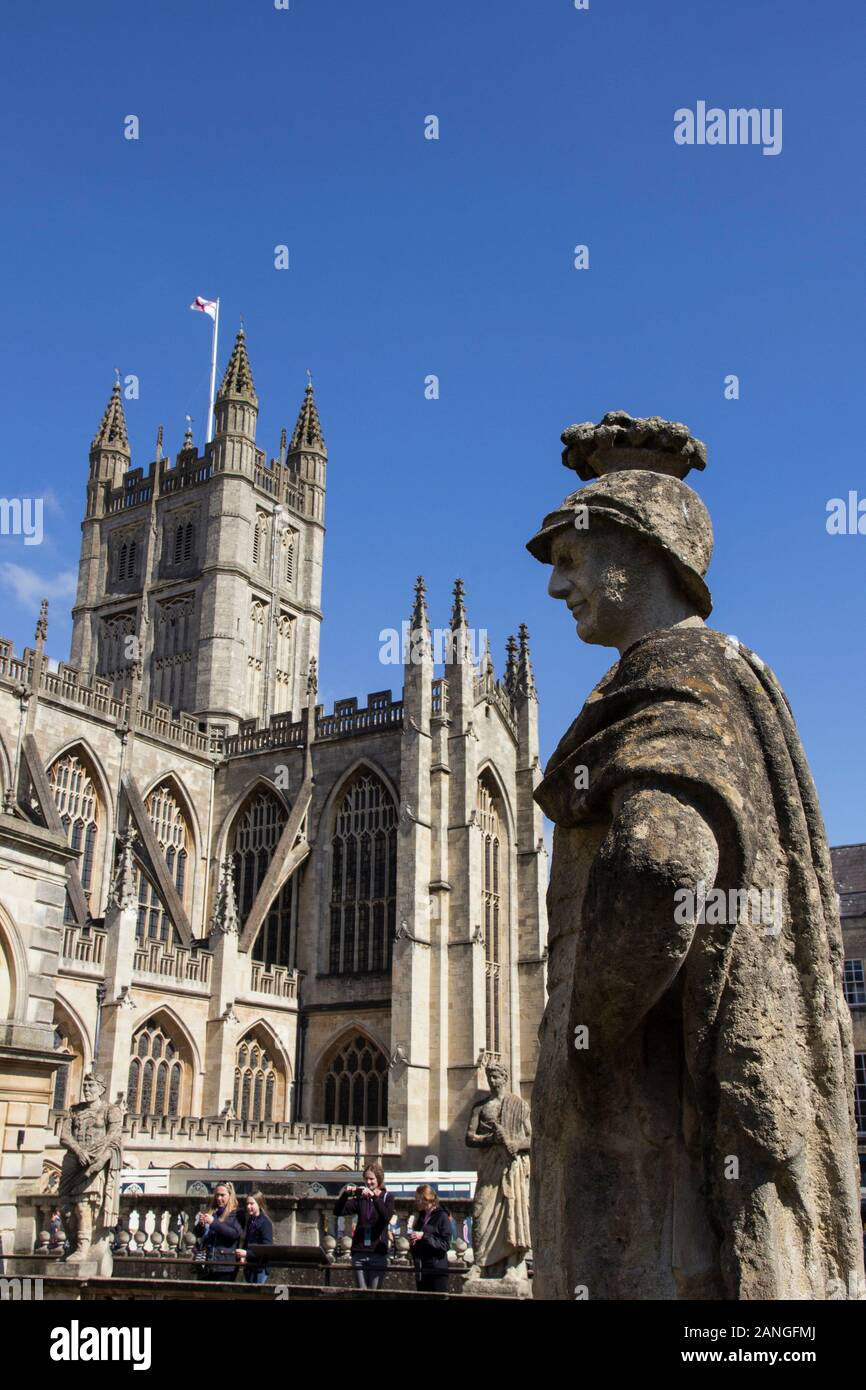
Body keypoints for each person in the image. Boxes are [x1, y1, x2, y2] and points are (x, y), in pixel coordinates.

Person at [334, 1163, 394, 1290]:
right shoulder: (360, 1199)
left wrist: (374, 1197)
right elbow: (337, 1211)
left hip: (377, 1252)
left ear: (379, 1179)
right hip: (359, 1252)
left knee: (375, 1294)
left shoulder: (387, 1197)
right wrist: (345, 1195)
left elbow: (386, 1217)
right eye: (366, 1178)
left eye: (371, 1179)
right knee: (361, 1293)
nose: (368, 1182)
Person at [194, 1181, 242, 1281]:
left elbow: (234, 1234)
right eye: (217, 1195)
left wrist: (213, 1223)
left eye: (222, 1195)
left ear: (230, 1195)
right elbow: (197, 1234)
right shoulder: (213, 1211)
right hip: (207, 1264)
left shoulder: (237, 1213)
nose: (219, 1198)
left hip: (225, 1266)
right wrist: (201, 1225)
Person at [408, 1184, 452, 1293]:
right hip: (422, 1268)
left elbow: (445, 1245)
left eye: (418, 1199)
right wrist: (413, 1242)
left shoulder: (441, 1216)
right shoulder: (421, 1217)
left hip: (437, 1269)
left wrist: (424, 1236)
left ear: (426, 1199)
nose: (416, 1202)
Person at [238, 1191, 273, 1284]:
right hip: (251, 1266)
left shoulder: (265, 1223)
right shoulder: (251, 1220)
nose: (248, 1207)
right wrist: (243, 1256)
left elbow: (267, 1248)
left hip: (260, 1268)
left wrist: (246, 1253)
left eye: (252, 1203)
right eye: (247, 1204)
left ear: (259, 1204)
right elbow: (247, 1241)